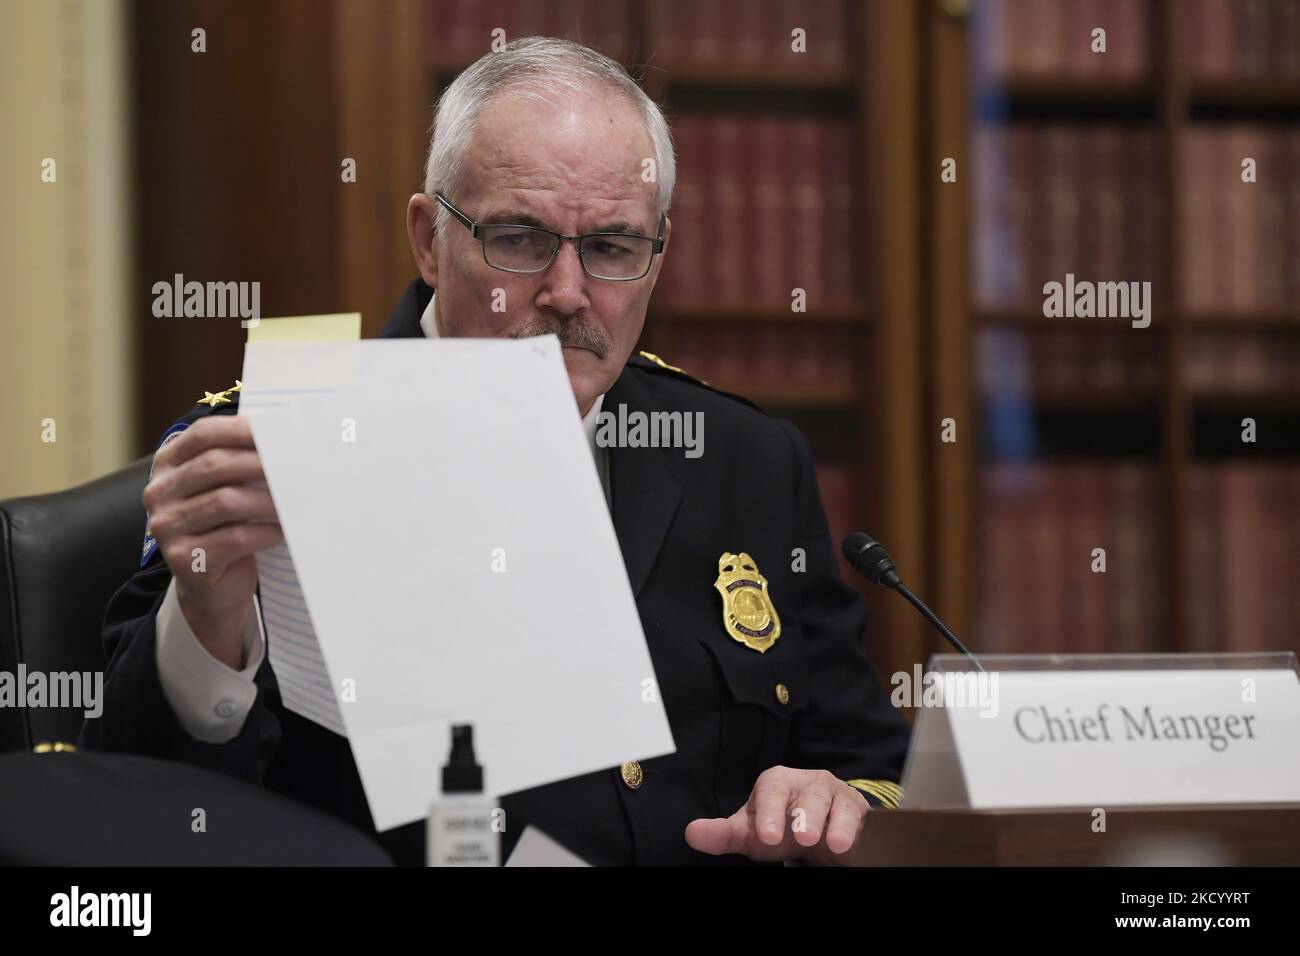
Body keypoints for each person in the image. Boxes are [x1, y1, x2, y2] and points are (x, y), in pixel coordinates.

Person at [82, 37, 909, 866]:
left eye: (614, 248)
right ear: (427, 239)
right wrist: (207, 616)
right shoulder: (277, 436)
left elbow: (872, 768)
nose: (567, 293)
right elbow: (132, 801)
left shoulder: (746, 457)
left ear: (657, 258)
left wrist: (828, 802)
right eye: (520, 239)